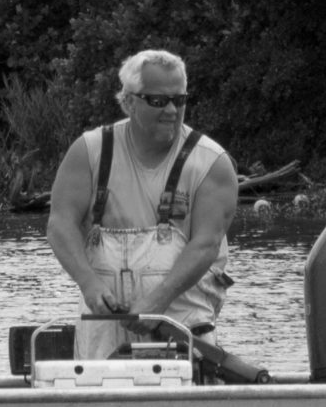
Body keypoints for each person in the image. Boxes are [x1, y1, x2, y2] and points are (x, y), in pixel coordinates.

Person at [47, 49, 239, 359]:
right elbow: (60, 225)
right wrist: (88, 282)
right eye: (158, 101)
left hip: (181, 328)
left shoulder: (212, 163)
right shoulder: (89, 151)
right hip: (103, 329)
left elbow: (206, 244)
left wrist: (158, 301)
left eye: (180, 100)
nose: (172, 111)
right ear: (129, 101)